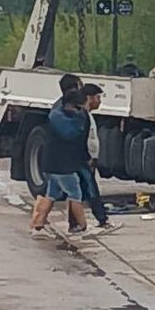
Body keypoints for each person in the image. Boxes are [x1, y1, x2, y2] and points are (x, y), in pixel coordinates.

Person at [29, 87, 89, 238]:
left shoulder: (57, 113)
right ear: (73, 105)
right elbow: (71, 134)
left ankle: (38, 224)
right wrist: (80, 118)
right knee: (75, 194)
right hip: (63, 165)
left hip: (52, 163)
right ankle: (82, 226)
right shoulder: (61, 118)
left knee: (51, 194)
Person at [72, 84, 121, 236]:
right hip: (82, 159)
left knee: (76, 191)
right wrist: (89, 157)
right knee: (90, 190)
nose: (99, 101)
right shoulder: (82, 116)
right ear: (89, 98)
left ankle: (75, 223)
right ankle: (101, 219)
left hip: (84, 159)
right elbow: (84, 139)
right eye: (98, 98)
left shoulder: (87, 115)